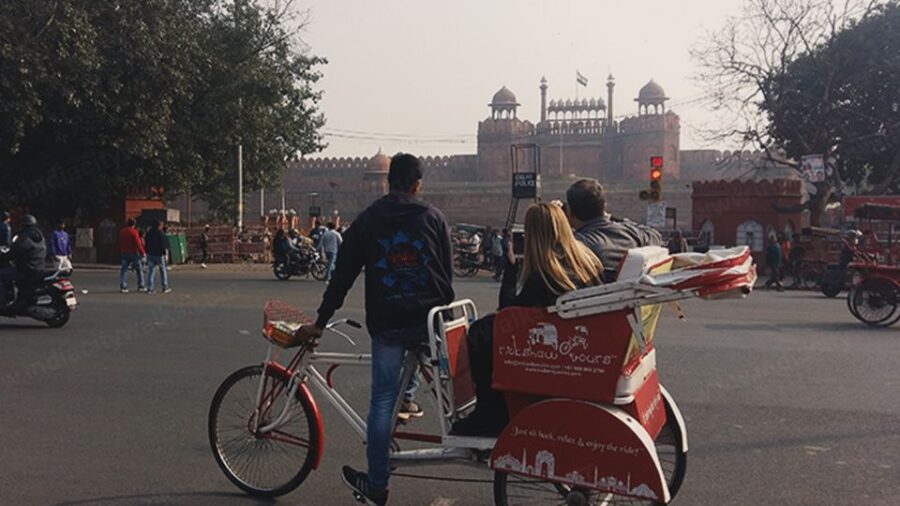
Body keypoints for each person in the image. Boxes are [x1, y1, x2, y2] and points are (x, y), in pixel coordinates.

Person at [293, 153, 454, 506]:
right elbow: (446, 277)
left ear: (387, 182)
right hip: (428, 323)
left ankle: (377, 485)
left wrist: (320, 322)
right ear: (417, 185)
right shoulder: (434, 218)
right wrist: (439, 319)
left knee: (382, 402)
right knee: (417, 387)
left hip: (389, 323)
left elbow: (342, 278)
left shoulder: (367, 221)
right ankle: (409, 396)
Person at [452, 203, 604, 437]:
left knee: (481, 334)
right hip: (578, 336)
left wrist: (511, 268)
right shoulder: (584, 261)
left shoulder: (548, 273)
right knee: (488, 329)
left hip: (556, 346)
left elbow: (509, 312)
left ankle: (490, 414)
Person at [565, 179, 663, 282]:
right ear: (604, 207)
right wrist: (613, 218)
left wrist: (555, 220)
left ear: (570, 212)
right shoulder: (632, 233)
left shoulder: (577, 244)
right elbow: (654, 235)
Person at [0, 215, 46, 306]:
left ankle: (2, 301)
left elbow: (15, 251)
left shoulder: (26, 237)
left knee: (2, 275)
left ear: (24, 225)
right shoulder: (40, 236)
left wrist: (4, 256)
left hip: (26, 269)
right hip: (39, 267)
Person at [118, 218, 146, 293]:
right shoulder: (134, 232)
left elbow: (120, 241)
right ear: (134, 224)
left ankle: (123, 286)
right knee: (139, 270)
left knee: (124, 270)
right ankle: (141, 285)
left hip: (124, 252)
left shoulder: (122, 231)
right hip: (134, 253)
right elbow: (138, 244)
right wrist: (142, 252)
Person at [144, 220, 171, 294]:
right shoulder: (161, 233)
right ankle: (165, 287)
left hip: (150, 254)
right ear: (159, 225)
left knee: (151, 271)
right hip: (159, 254)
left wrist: (146, 252)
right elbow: (165, 245)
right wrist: (164, 253)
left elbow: (146, 243)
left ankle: (150, 288)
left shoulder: (149, 233)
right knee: (163, 270)